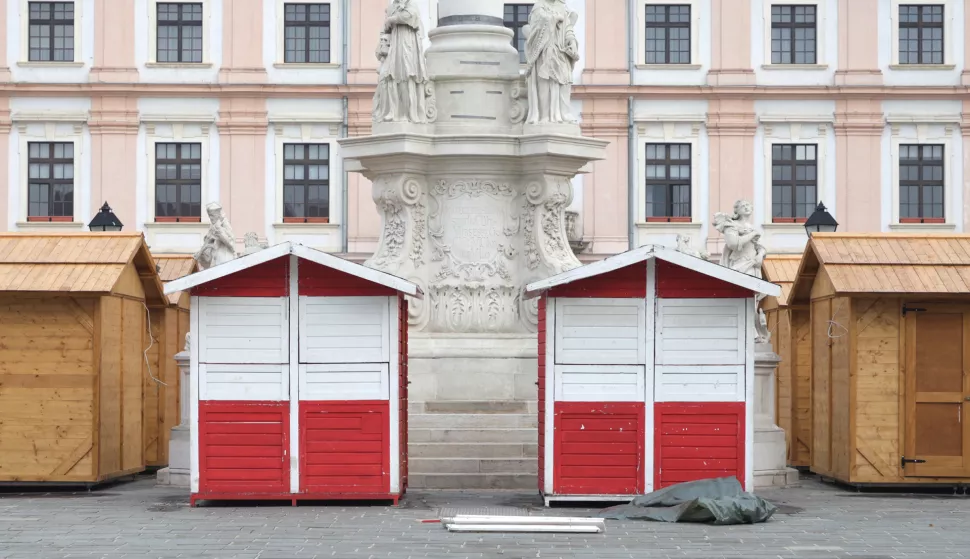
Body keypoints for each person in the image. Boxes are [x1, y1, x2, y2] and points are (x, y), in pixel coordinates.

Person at [524, 0, 579, 124]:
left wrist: (572, 42)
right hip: (544, 51)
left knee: (565, 82)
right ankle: (545, 115)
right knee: (545, 83)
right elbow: (536, 26)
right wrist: (553, 18)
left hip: (561, 51)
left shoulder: (562, 7)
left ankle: (564, 113)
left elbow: (568, 27)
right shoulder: (539, 6)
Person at [374, 0, 428, 123]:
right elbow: (385, 29)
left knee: (409, 75)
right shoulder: (391, 6)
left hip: (408, 43)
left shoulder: (411, 4)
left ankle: (410, 113)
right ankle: (394, 111)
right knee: (392, 76)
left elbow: (410, 16)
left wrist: (392, 19)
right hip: (395, 45)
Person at [194, 202, 236, 270]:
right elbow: (208, 241)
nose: (210, 218)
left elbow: (231, 243)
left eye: (212, 215)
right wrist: (201, 252)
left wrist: (220, 234)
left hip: (224, 257)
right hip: (215, 259)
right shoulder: (212, 226)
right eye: (209, 215)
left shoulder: (224, 223)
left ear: (218, 215)